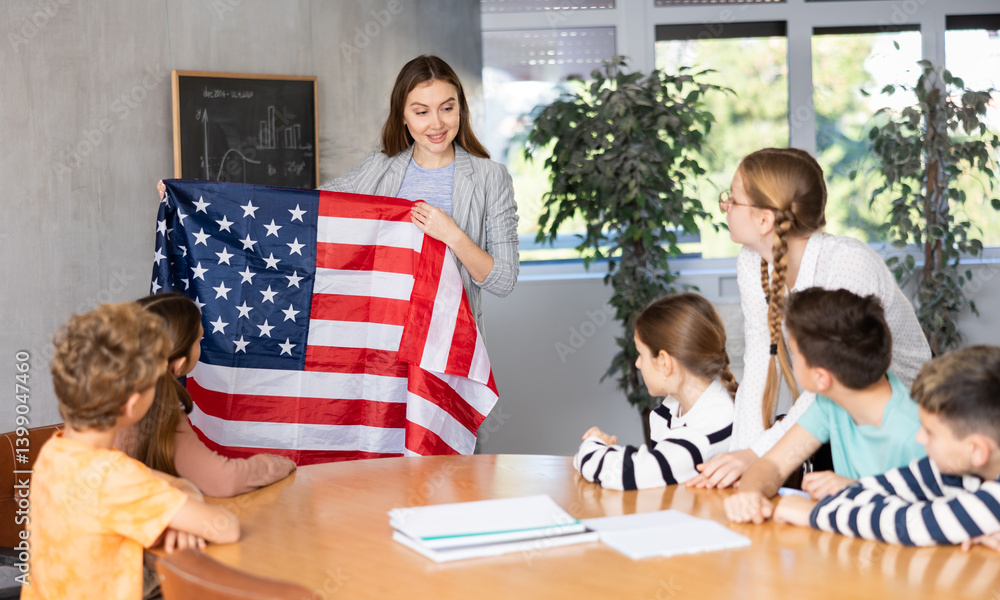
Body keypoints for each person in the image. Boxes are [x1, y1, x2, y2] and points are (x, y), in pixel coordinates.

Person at [687, 147, 931, 489]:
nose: (725, 205)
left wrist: (759, 454)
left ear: (764, 219)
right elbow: (761, 361)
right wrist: (743, 456)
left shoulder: (847, 263)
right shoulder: (751, 260)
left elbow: (838, 374)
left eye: (733, 199)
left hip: (900, 414)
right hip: (833, 407)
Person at [25, 302, 240, 600]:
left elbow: (153, 480)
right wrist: (186, 499)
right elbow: (226, 528)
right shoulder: (116, 479)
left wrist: (183, 494)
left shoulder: (55, 452)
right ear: (132, 404)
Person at [318, 54, 519, 333]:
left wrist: (453, 235)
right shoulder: (378, 168)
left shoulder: (491, 177)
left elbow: (504, 281)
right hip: (383, 337)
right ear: (402, 115)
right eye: (422, 112)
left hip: (451, 342)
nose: (436, 124)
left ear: (460, 108)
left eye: (446, 108)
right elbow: (312, 207)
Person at [723, 288, 926, 524]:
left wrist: (857, 490)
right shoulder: (830, 402)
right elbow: (772, 465)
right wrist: (750, 495)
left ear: (821, 378)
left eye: (795, 355)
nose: (792, 361)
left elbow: (931, 517)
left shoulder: (916, 433)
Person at [771, 345, 1000, 551]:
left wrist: (814, 514)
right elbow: (881, 488)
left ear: (978, 451)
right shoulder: (951, 469)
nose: (920, 437)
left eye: (930, 433)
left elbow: (911, 524)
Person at [115, 292, 297, 497]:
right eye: (199, 340)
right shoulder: (160, 410)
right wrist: (274, 465)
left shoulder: (93, 392)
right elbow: (223, 480)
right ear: (179, 363)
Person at [574, 293, 736, 490]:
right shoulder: (672, 408)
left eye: (640, 354)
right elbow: (658, 468)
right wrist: (611, 452)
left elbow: (628, 475)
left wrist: (592, 444)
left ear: (664, 362)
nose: (637, 363)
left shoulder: (710, 424)